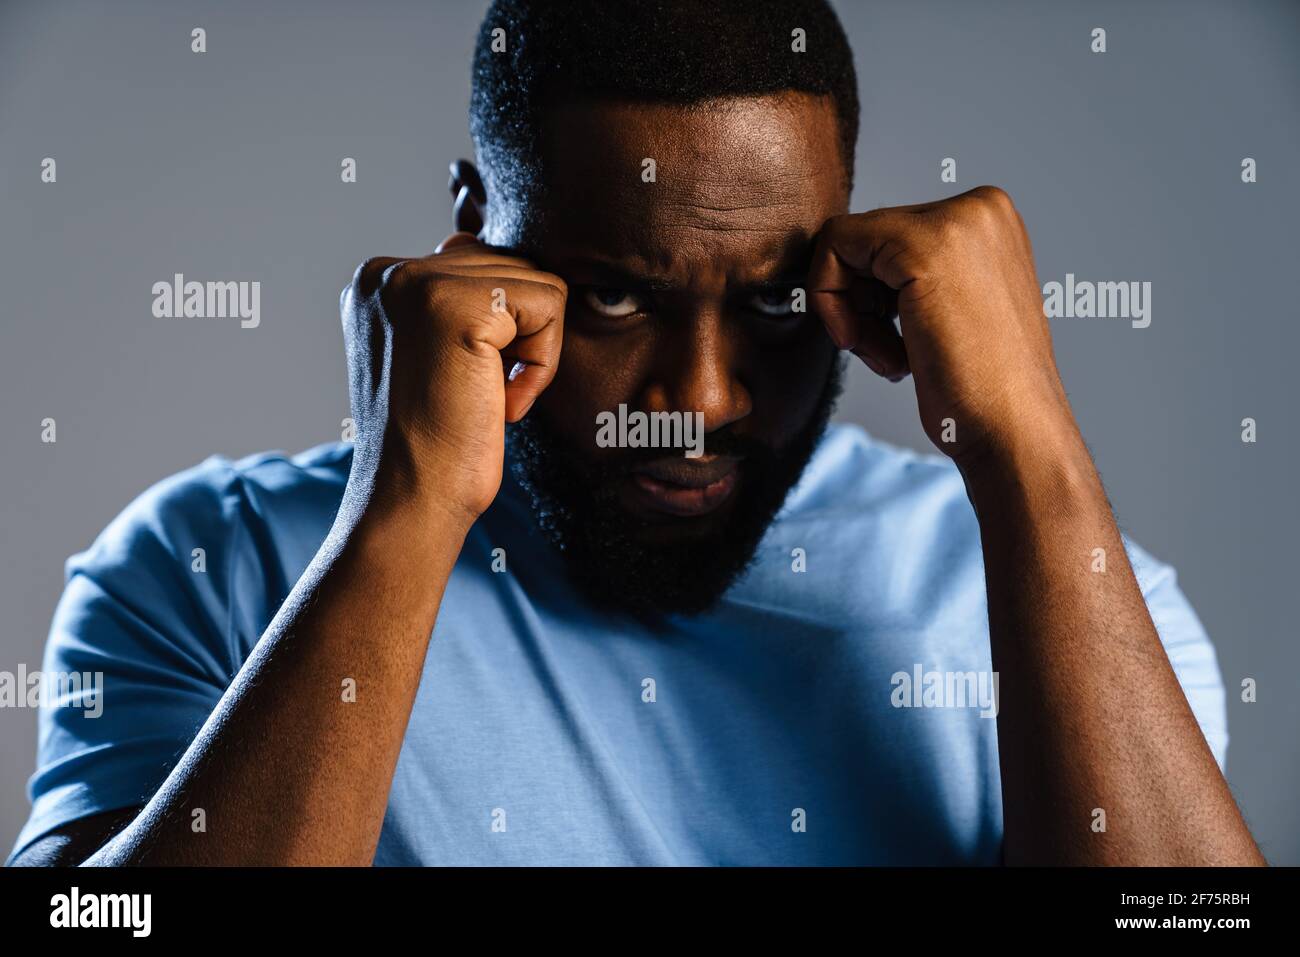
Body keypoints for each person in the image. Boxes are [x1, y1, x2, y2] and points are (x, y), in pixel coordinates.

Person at [7, 0, 1262, 866]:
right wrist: (401, 524)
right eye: (616, 298)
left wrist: (1031, 462)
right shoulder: (210, 567)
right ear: (474, 234)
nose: (705, 400)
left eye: (775, 302)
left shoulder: (1070, 599)